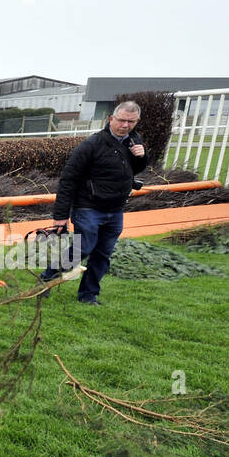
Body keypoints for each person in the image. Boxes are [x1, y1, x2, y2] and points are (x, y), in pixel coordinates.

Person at [39, 101, 148, 306]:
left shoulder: (134, 141)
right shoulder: (92, 145)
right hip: (88, 207)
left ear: (137, 121)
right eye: (122, 120)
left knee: (103, 254)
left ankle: (88, 295)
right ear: (111, 119)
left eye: (131, 122)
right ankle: (47, 278)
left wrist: (142, 157)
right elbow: (68, 180)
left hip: (115, 210)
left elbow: (134, 169)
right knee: (83, 248)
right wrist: (61, 215)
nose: (125, 125)